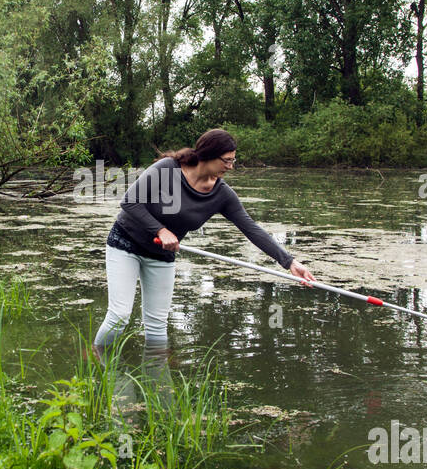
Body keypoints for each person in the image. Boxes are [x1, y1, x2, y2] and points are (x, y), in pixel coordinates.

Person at [92, 128, 315, 355]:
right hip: (126, 244)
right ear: (208, 155)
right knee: (119, 315)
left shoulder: (222, 195)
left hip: (162, 255)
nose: (230, 166)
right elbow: (130, 202)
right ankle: (96, 362)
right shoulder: (168, 169)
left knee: (157, 324)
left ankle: (156, 380)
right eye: (227, 160)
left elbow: (251, 228)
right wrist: (160, 230)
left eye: (233, 160)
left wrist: (289, 262)